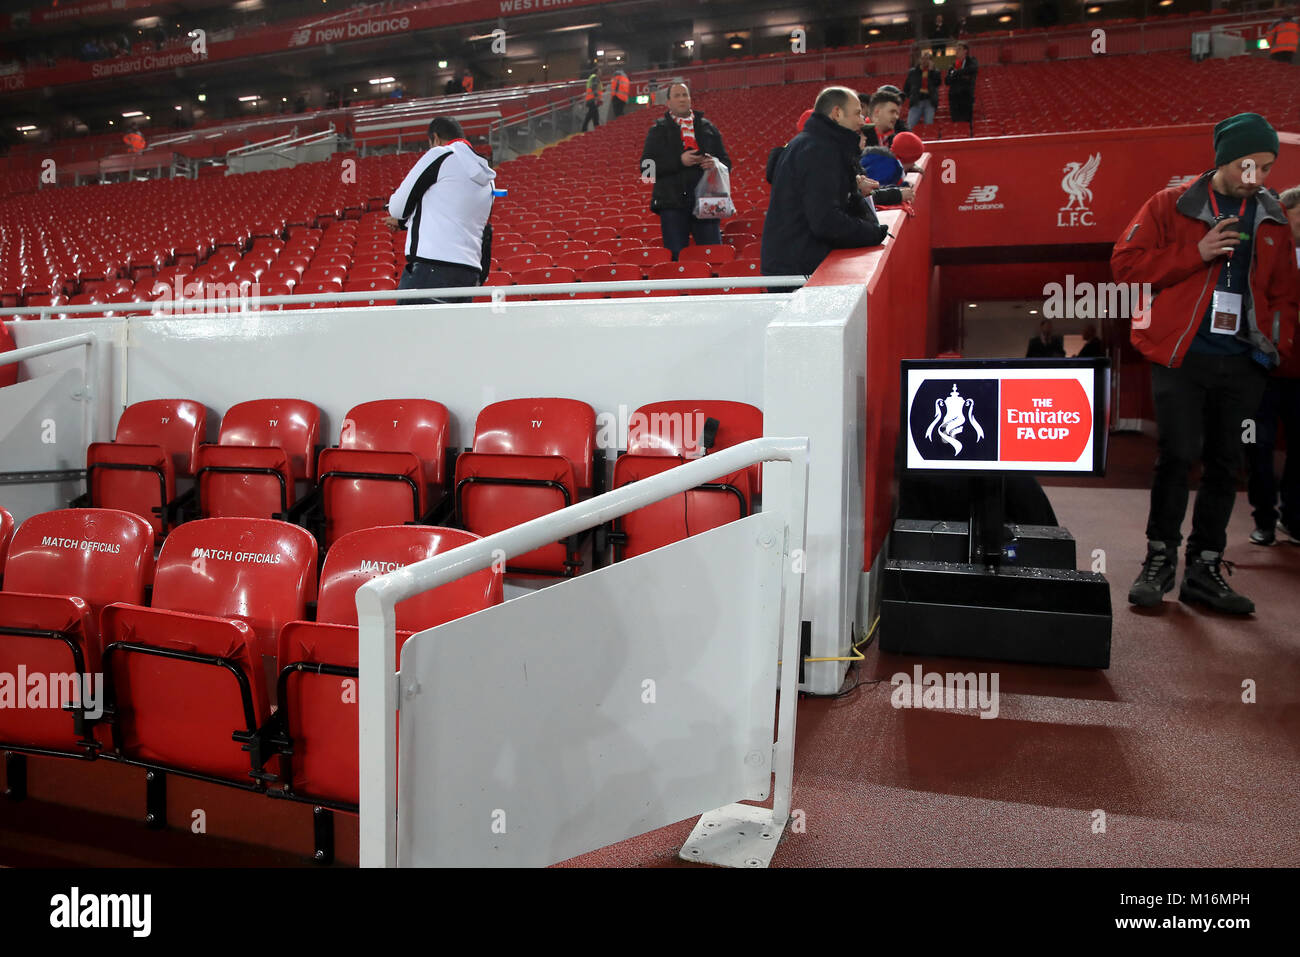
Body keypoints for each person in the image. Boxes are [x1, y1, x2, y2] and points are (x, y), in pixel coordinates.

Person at [1114, 113, 1300, 614]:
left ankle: (1205, 569)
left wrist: (1274, 345)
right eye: (1246, 165)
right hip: (1182, 357)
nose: (1255, 178)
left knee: (1227, 463)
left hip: (1244, 364)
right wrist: (1194, 252)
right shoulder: (1170, 204)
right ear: (1222, 160)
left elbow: (1285, 293)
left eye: (1264, 167)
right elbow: (1126, 264)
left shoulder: (1274, 218)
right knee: (1177, 454)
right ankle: (1159, 560)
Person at [761, 86, 890, 279]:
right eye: (857, 114)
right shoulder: (821, 151)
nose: (861, 121)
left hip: (791, 263)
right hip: (800, 270)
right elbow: (826, 221)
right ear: (837, 113)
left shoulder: (812, 144)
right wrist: (873, 233)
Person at [385, 117, 496, 305]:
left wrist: (400, 218)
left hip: (431, 268)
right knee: (450, 334)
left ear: (435, 138)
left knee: (413, 333)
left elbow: (397, 207)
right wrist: (405, 223)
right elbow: (453, 214)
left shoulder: (440, 155)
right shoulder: (487, 176)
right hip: (469, 273)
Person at [1246, 184, 1300, 545]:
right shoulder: (1262, 251)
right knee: (1257, 448)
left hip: (1298, 375)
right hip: (1261, 370)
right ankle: (1264, 519)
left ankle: (1293, 518)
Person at [639, 81, 732, 260]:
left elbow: (727, 163)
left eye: (685, 95)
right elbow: (646, 171)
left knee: (714, 256)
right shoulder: (657, 131)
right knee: (677, 257)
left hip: (707, 202)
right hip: (672, 204)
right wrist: (679, 161)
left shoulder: (708, 128)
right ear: (668, 103)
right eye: (677, 96)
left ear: (690, 99)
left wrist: (715, 163)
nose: (682, 99)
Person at [946, 41, 978, 137]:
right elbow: (947, 80)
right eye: (956, 49)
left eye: (959, 49)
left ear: (965, 51)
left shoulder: (971, 62)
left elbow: (971, 70)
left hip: (966, 96)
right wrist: (959, 75)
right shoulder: (953, 65)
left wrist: (956, 74)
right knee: (956, 121)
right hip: (954, 98)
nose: (957, 51)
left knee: (966, 121)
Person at [903, 52, 942, 133]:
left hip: (929, 102)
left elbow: (937, 83)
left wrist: (931, 72)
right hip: (916, 101)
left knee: (928, 125)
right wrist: (911, 96)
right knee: (909, 125)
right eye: (923, 58)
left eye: (927, 59)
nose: (924, 61)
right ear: (919, 60)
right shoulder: (913, 72)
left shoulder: (935, 72)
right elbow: (906, 87)